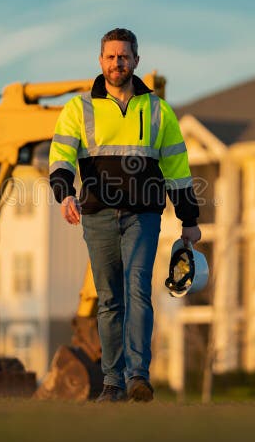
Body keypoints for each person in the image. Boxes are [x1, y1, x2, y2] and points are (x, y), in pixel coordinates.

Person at [49, 28, 201, 402]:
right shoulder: (78, 108)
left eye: (124, 56)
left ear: (136, 60)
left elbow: (177, 168)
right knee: (109, 299)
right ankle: (112, 383)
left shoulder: (158, 110)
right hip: (97, 214)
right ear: (100, 61)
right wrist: (64, 194)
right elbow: (61, 157)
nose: (118, 63)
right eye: (111, 57)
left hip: (143, 214)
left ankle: (137, 377)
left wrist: (189, 220)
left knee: (137, 290)